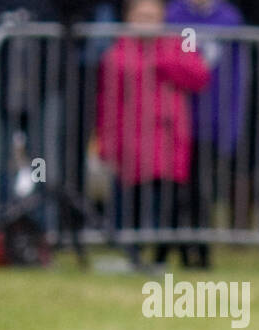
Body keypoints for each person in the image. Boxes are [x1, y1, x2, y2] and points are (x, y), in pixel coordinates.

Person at [97, 0, 209, 267]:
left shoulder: (179, 44)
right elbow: (108, 102)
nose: (146, 22)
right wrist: (107, 143)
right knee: (133, 202)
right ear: (129, 18)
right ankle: (134, 254)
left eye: (152, 16)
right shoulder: (116, 53)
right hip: (131, 141)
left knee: (171, 203)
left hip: (170, 140)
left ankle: (165, 255)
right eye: (141, 16)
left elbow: (200, 76)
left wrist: (161, 60)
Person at [165, 0, 247, 269]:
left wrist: (232, 124)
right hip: (176, 122)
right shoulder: (172, 15)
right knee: (176, 190)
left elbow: (238, 75)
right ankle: (167, 249)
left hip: (211, 122)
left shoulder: (229, 18)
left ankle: (200, 252)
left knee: (203, 190)